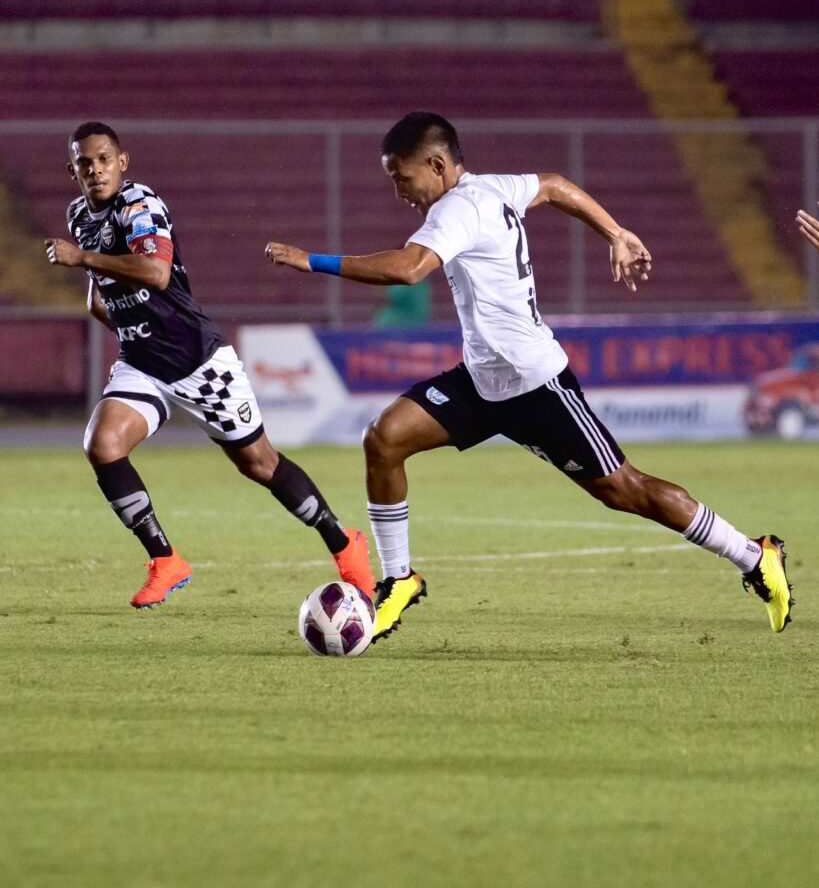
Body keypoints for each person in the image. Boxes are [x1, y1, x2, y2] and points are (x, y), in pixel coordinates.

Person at [265, 111, 794, 640]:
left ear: (435, 164)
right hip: (482, 382)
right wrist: (614, 232)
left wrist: (314, 261)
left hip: (536, 385)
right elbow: (555, 187)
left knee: (626, 490)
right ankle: (399, 579)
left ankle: (754, 554)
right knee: (383, 440)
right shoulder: (495, 189)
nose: (399, 190)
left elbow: (408, 269)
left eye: (402, 178)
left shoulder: (457, 210)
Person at [46, 122, 374, 609]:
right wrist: (107, 304)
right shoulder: (79, 215)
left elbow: (156, 272)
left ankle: (344, 543)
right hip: (143, 361)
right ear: (71, 170)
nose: (95, 170)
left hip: (197, 360)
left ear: (122, 162)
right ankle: (166, 561)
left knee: (259, 465)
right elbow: (99, 294)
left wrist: (84, 260)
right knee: (103, 443)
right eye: (84, 163)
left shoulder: (140, 205)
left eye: (103, 159)